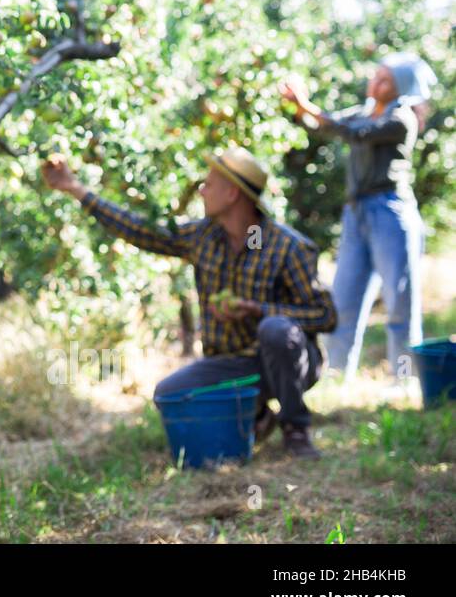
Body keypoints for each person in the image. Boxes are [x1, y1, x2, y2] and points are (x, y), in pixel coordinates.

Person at [42, 146, 337, 460]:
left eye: (209, 184)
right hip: (232, 363)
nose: (201, 190)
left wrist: (259, 311)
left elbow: (324, 315)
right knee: (171, 393)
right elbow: (140, 230)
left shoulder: (287, 247)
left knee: (276, 330)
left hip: (288, 361)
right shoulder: (203, 237)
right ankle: (257, 415)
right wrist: (76, 189)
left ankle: (295, 429)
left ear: (232, 194)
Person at [279, 52, 437, 382]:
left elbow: (355, 133)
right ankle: (335, 374)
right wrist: (299, 108)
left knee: (399, 301)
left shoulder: (400, 119)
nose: (374, 83)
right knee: (344, 298)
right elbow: (330, 124)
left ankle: (404, 377)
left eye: (384, 80)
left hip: (389, 212)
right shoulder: (366, 111)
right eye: (375, 75)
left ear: (400, 89)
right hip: (357, 212)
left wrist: (308, 105)